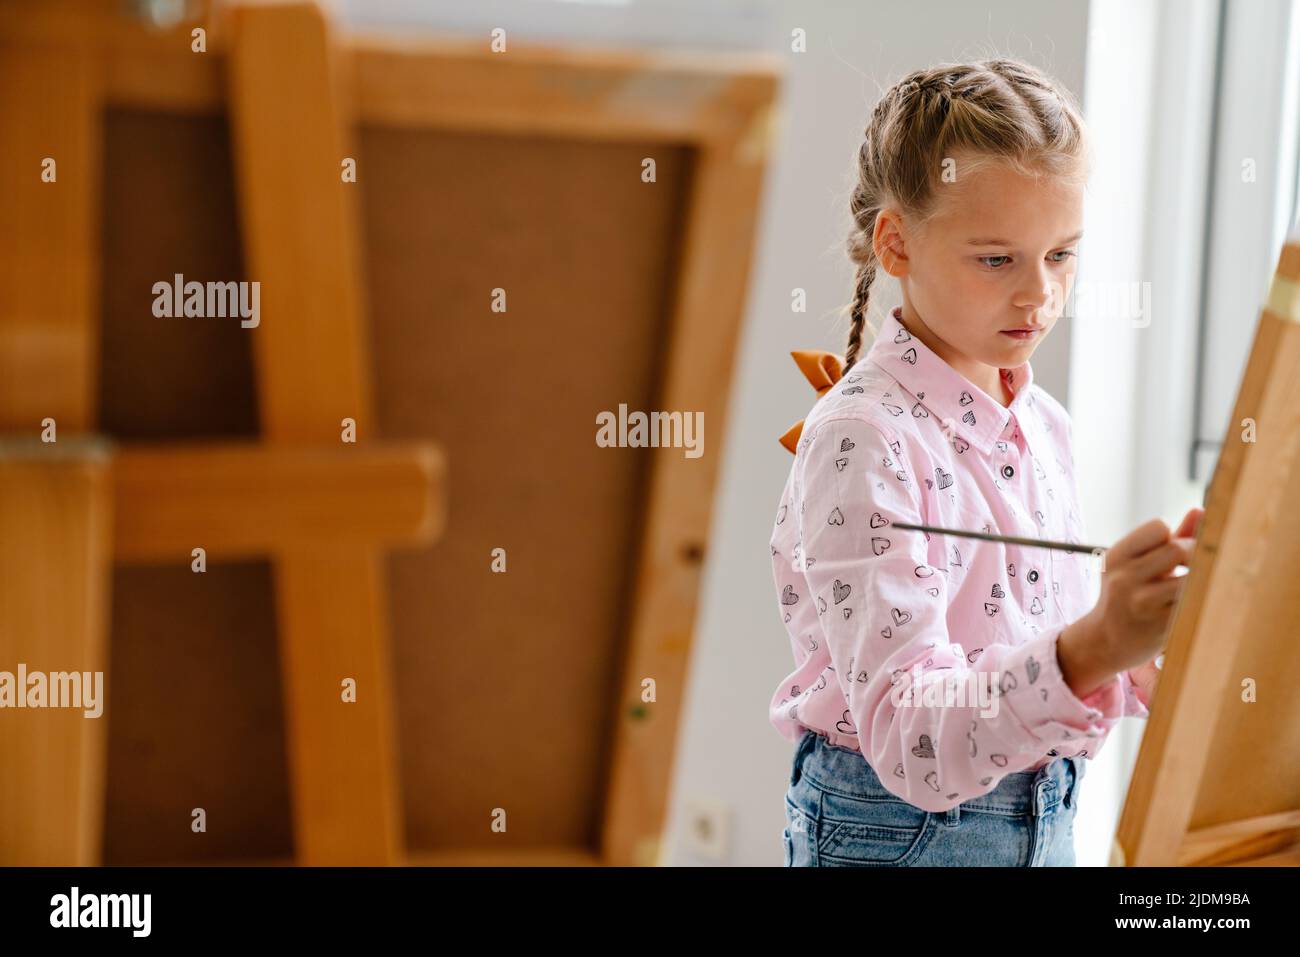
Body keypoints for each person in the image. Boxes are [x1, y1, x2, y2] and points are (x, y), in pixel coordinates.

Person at [769, 58, 1203, 866]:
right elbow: (910, 739)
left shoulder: (1042, 424)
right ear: (895, 242)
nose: (1038, 295)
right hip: (902, 835)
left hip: (1047, 814)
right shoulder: (864, 436)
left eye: (1063, 255)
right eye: (997, 259)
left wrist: (1161, 639)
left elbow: (1029, 635)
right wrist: (1096, 645)